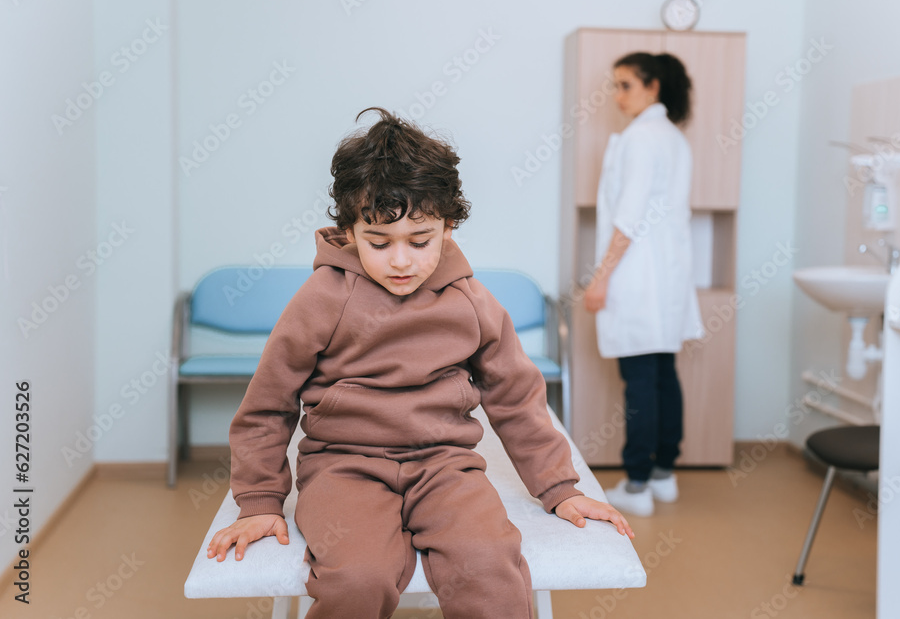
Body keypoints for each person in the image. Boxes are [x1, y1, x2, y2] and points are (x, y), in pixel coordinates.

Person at [205, 107, 634, 618]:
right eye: (379, 242)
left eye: (420, 240)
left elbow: (516, 396)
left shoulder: (470, 300)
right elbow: (268, 403)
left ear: (448, 227)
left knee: (488, 567)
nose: (401, 260)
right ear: (350, 231)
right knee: (358, 577)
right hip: (343, 468)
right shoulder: (322, 298)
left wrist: (559, 487)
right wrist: (258, 501)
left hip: (445, 466)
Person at [583, 52, 705, 518]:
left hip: (636, 274)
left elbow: (629, 217)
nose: (617, 96)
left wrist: (601, 278)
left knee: (639, 381)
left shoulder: (640, 137)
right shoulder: (673, 136)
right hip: (668, 275)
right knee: (662, 374)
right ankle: (662, 473)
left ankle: (636, 483)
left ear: (653, 87)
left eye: (625, 85)